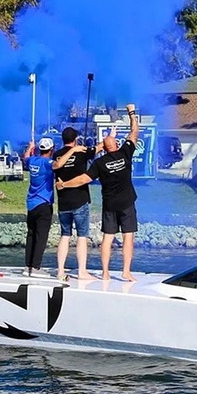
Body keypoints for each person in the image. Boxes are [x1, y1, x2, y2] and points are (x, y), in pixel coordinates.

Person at [58, 104, 140, 282]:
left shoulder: (100, 164)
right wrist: (131, 113)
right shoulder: (125, 153)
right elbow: (134, 133)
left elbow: (83, 179)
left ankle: (105, 272)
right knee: (128, 237)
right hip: (127, 203)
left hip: (109, 205)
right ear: (116, 144)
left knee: (107, 238)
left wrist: (64, 184)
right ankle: (126, 271)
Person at [52, 127, 103, 281]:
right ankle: (82, 272)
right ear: (75, 139)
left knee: (65, 235)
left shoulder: (57, 155)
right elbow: (100, 148)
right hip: (80, 200)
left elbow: (57, 166)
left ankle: (60, 271)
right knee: (82, 236)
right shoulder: (82, 152)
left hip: (63, 202)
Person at [23, 136, 55, 277]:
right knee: (41, 236)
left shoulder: (32, 160)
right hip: (43, 203)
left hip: (31, 204)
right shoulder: (48, 163)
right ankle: (36, 267)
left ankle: (27, 266)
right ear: (52, 149)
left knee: (31, 235)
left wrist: (30, 148)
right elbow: (58, 166)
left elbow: (25, 158)